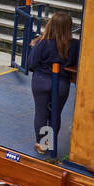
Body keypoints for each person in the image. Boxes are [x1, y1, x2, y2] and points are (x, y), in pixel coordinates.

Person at [26, 11, 79, 156]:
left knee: (41, 112)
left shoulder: (41, 42)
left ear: (51, 25)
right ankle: (51, 143)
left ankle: (43, 144)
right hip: (61, 83)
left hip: (41, 81)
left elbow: (31, 63)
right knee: (55, 114)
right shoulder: (74, 45)